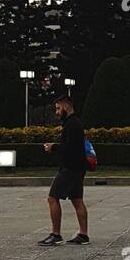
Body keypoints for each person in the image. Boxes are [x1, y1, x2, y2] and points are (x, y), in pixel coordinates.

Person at [39, 95, 90, 245]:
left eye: (58, 108)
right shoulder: (74, 123)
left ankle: (55, 234)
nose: (56, 112)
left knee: (52, 198)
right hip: (78, 168)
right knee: (77, 200)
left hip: (70, 169)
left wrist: (53, 147)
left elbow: (71, 148)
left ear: (66, 106)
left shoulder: (72, 124)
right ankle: (83, 235)